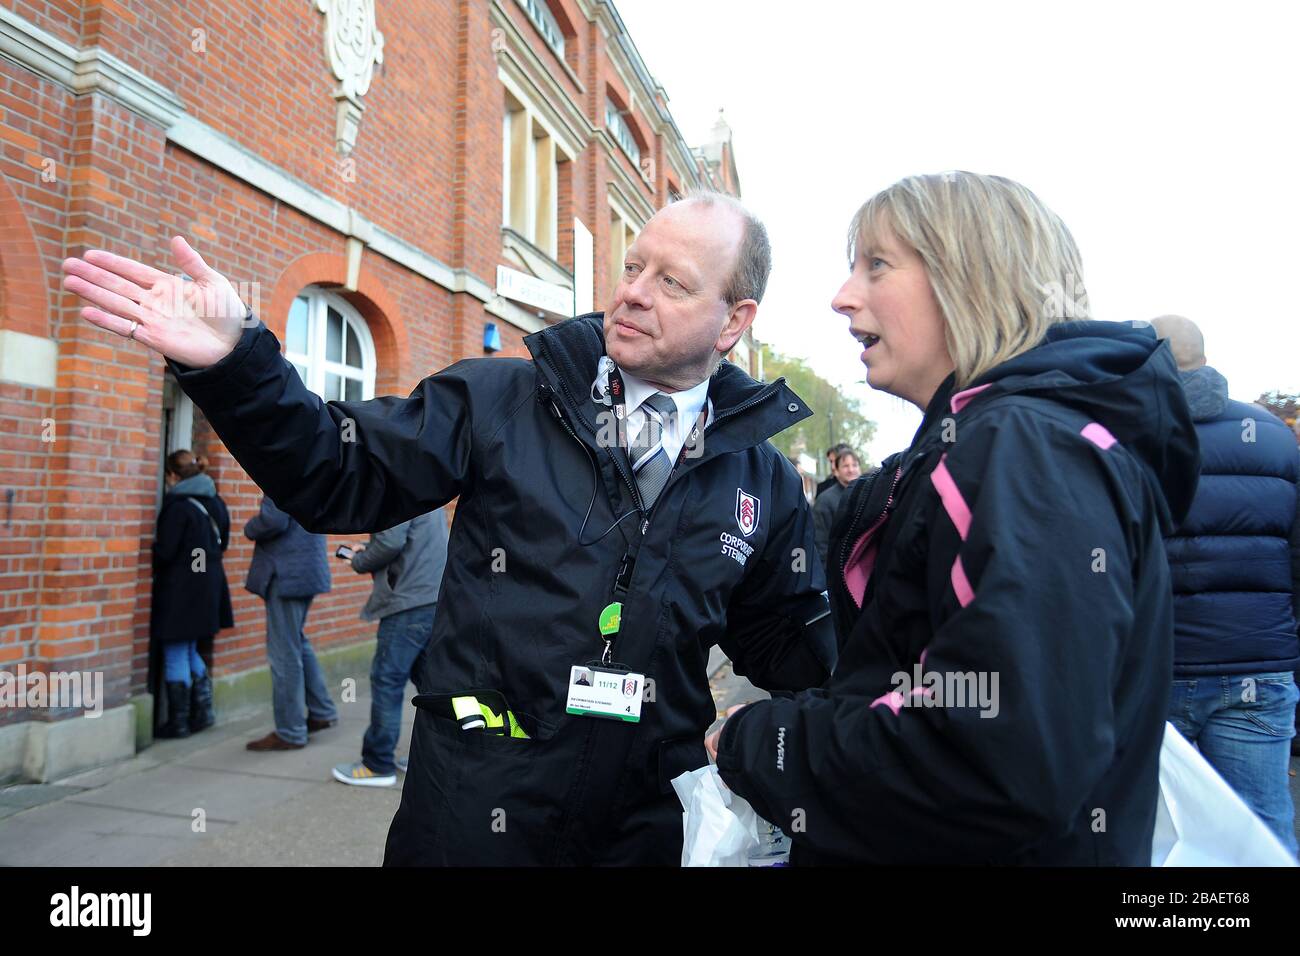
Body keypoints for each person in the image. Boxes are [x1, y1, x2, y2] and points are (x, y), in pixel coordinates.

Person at [61, 191, 835, 866]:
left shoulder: (758, 481)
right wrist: (239, 363)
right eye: (633, 267)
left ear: (734, 321)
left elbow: (799, 651)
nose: (633, 293)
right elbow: (334, 470)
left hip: (640, 830)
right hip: (473, 810)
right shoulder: (501, 398)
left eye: (672, 282)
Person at [707, 171, 1199, 864]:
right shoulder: (1001, 442)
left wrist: (762, 741)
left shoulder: (1019, 449)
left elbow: (994, 753)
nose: (843, 296)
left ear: (970, 277)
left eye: (877, 265)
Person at [1149, 315, 1300, 853]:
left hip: (1160, 669)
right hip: (1259, 662)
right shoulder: (1276, 441)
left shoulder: (1130, 439)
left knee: (1162, 832)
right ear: (1206, 360)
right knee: (1262, 824)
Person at [333, 508, 449, 788]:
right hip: (432, 597)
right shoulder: (429, 486)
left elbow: (391, 542)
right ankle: (437, 757)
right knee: (431, 683)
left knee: (387, 680)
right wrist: (370, 547)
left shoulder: (400, 486)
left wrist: (359, 560)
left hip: (407, 603)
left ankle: (377, 764)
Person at [243, 495, 338, 751]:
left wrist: (249, 527)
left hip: (286, 573)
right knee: (296, 641)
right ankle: (322, 711)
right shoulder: (313, 472)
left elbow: (273, 520)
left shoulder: (282, 470)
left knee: (284, 654)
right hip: (306, 570)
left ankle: (290, 731)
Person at [151, 449, 232, 738]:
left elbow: (165, 552)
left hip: (180, 589)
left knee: (175, 649)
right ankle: (204, 713)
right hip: (209, 585)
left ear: (172, 475)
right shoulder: (216, 501)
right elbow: (223, 544)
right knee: (189, 648)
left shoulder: (177, 507)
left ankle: (179, 721)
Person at [812, 448, 861, 568]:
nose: (851, 470)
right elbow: (820, 543)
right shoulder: (824, 501)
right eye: (845, 466)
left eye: (854, 465)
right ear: (836, 471)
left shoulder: (868, 495)